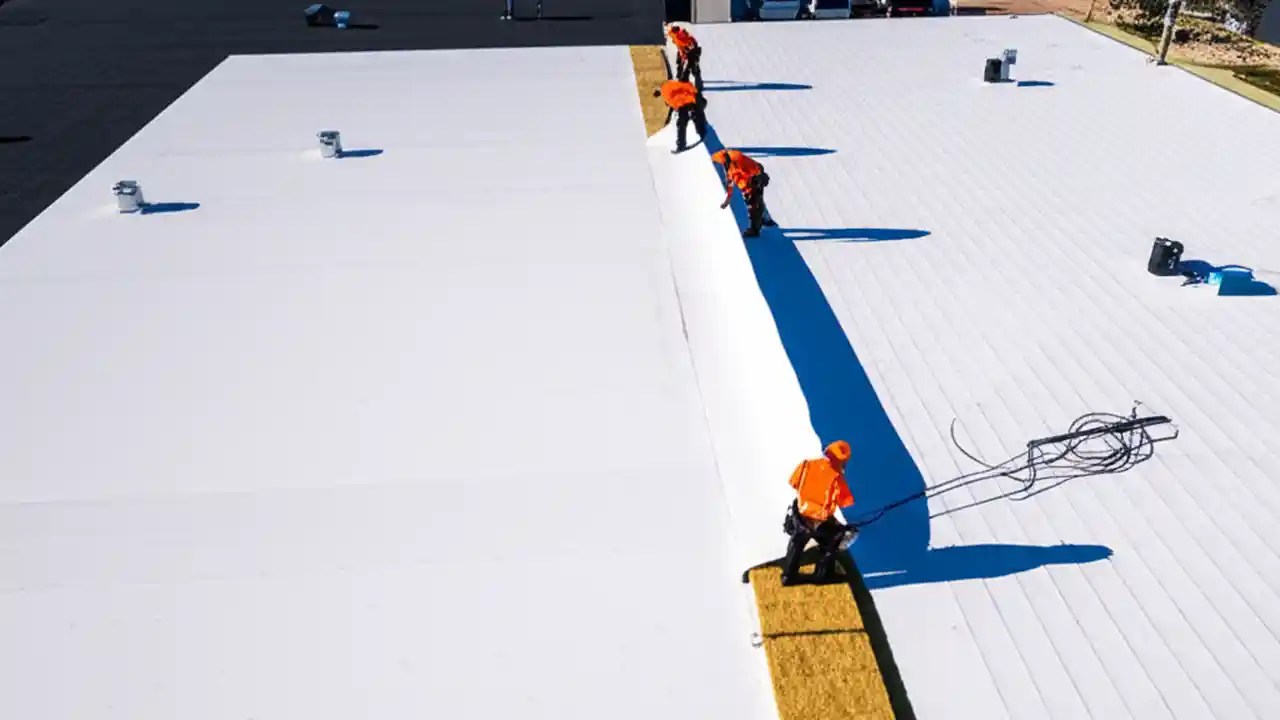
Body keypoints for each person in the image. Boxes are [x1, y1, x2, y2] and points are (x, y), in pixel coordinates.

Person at [779, 440, 859, 587]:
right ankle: (823, 574)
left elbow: (793, 482)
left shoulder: (807, 465)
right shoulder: (836, 479)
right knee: (835, 537)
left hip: (799, 513)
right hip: (817, 522)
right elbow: (845, 503)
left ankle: (788, 576)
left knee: (797, 543)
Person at [711, 149, 777, 237]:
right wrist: (728, 199)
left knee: (753, 203)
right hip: (746, 182)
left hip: (754, 179)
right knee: (753, 201)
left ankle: (755, 229)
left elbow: (757, 169)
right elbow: (730, 183)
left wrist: (759, 177)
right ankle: (764, 218)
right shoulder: (726, 166)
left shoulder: (739, 161)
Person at [652, 79, 707, 154]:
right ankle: (700, 132)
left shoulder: (667, 86)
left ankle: (683, 144)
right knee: (686, 120)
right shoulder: (665, 93)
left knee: (682, 123)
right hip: (684, 104)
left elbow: (685, 85)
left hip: (687, 102)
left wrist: (694, 93)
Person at [665, 23, 703, 90]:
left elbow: (692, 44)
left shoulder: (683, 35)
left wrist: (686, 52)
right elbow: (668, 31)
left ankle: (696, 83)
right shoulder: (672, 34)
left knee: (691, 67)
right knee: (680, 64)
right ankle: (680, 80)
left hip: (692, 51)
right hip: (683, 50)